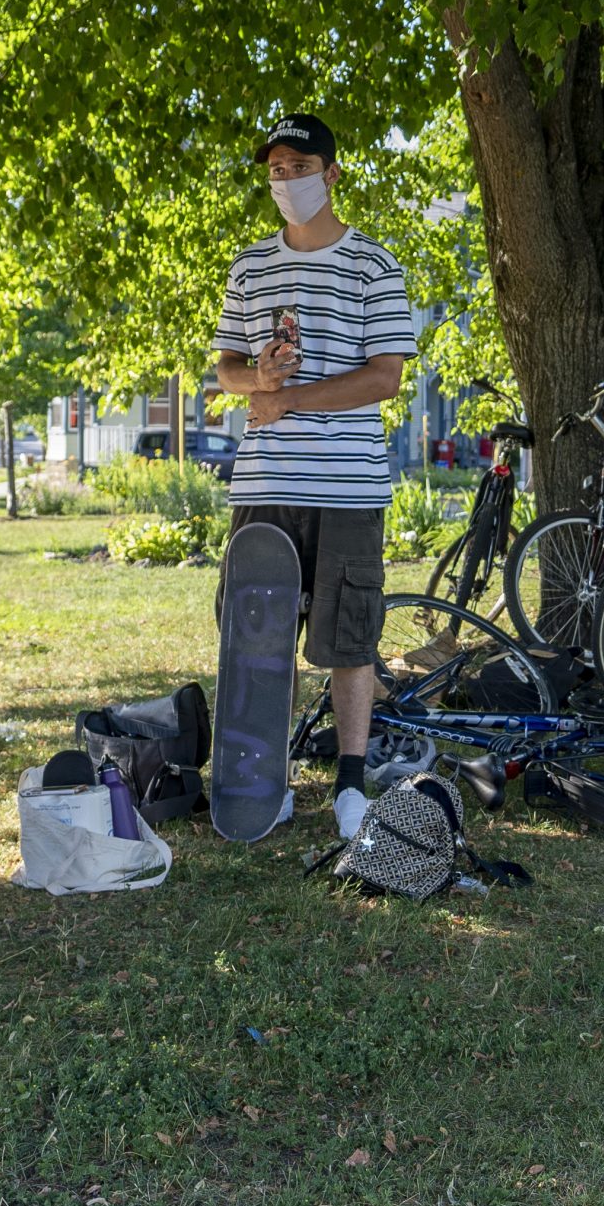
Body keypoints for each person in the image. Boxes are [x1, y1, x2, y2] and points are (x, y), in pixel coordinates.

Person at [210, 114, 417, 840]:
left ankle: (350, 788)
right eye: (274, 169)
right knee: (257, 641)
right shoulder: (249, 267)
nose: (285, 180)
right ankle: (268, 779)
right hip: (263, 484)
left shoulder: (375, 266)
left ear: (332, 174)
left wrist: (288, 397)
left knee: (350, 638)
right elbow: (226, 368)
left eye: (299, 167)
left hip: (347, 487)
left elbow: (386, 377)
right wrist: (256, 377)